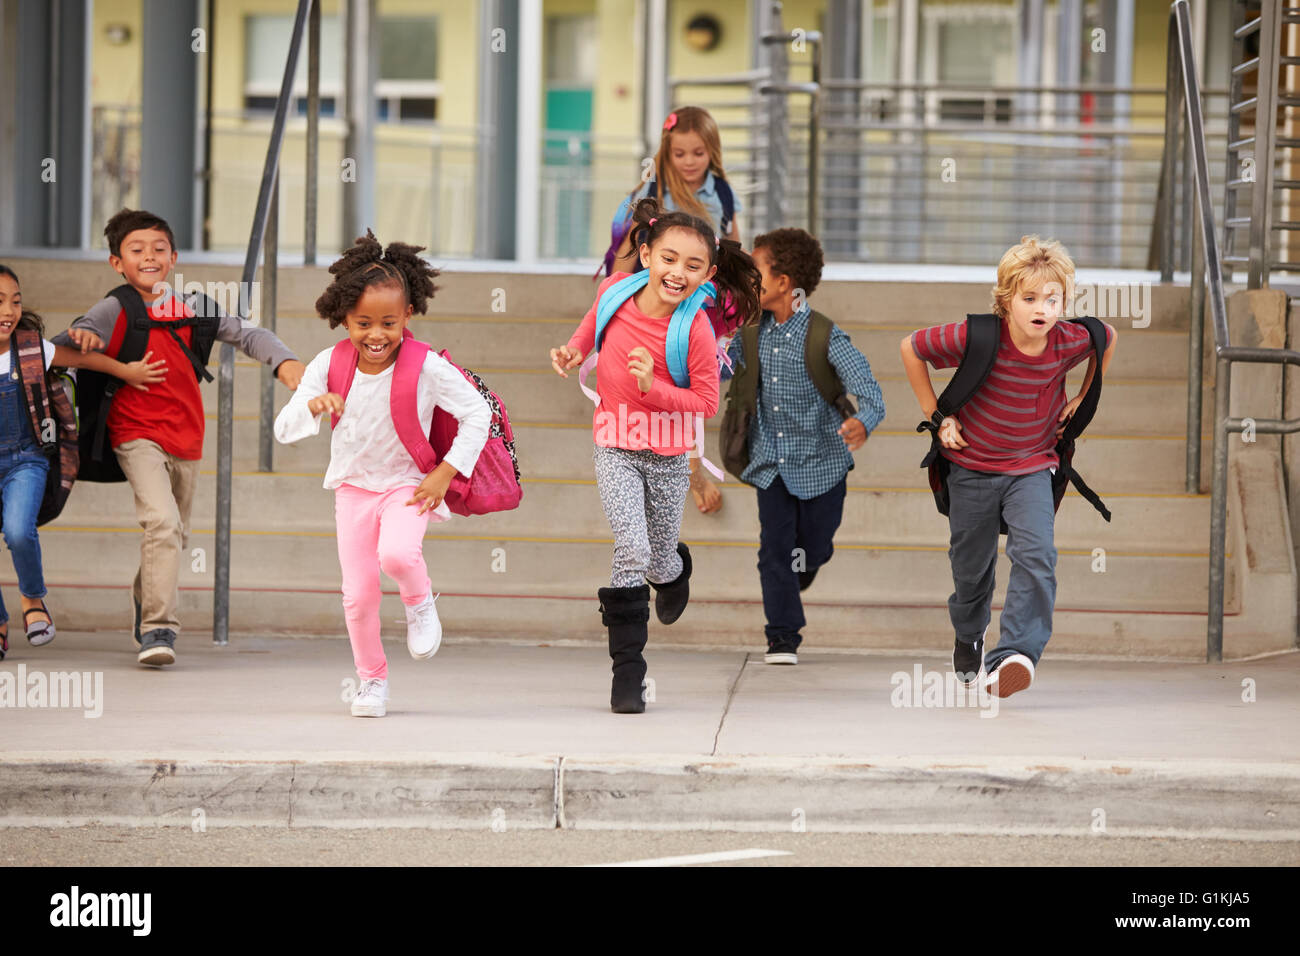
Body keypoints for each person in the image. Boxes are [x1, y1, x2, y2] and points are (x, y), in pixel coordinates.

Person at [50, 208, 306, 667]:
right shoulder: (115, 308)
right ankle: (157, 629)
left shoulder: (194, 306)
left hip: (187, 438)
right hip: (134, 434)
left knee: (174, 534)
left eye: (158, 248)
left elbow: (249, 334)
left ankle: (144, 596)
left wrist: (284, 363)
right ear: (117, 263)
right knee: (163, 525)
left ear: (173, 257)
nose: (149, 257)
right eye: (136, 250)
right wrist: (86, 337)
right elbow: (64, 344)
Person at [552, 198, 761, 714]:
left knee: (659, 555)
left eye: (692, 266)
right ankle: (628, 674)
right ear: (646, 256)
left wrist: (654, 387)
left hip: (668, 456)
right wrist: (573, 351)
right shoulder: (613, 293)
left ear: (709, 274)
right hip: (615, 445)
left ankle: (672, 573)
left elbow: (706, 403)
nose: (677, 272)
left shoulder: (695, 329)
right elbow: (590, 327)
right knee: (630, 548)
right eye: (668, 258)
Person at [274, 232, 491, 719]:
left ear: (408, 315)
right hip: (352, 490)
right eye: (362, 323)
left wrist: (444, 473)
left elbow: (480, 414)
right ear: (344, 318)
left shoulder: (427, 366)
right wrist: (312, 405)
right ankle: (371, 681)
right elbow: (284, 430)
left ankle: (419, 600)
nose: (376, 334)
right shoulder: (329, 363)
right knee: (357, 597)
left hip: (407, 485)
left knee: (397, 554)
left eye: (389, 323)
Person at [900, 235, 1116, 699]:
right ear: (1007, 300)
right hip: (971, 468)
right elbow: (910, 349)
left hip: (1032, 468)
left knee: (1036, 556)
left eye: (1053, 299)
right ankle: (969, 633)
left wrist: (1082, 396)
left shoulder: (1066, 340)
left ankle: (1014, 655)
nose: (1042, 308)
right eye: (1030, 298)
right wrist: (939, 417)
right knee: (970, 570)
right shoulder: (978, 335)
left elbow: (1106, 337)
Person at [726, 229, 885, 665]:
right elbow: (718, 369)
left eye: (755, 272)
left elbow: (871, 394)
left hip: (822, 465)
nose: (749, 282)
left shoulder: (825, 336)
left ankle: (808, 563)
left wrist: (861, 422)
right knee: (773, 549)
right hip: (770, 463)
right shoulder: (749, 333)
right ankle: (782, 636)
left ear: (783, 282)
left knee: (813, 548)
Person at [0, 264, 166, 659]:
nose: (8, 310)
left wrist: (126, 370)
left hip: (26, 458)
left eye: (15, 301)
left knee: (18, 531)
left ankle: (32, 600)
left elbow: (85, 360)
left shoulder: (31, 347)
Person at [606, 106, 744, 515]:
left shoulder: (722, 193)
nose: (688, 162)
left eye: (697, 153)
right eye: (679, 153)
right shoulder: (652, 195)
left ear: (712, 152)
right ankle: (683, 467)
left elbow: (734, 249)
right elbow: (628, 253)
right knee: (662, 383)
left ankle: (689, 461)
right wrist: (608, 306)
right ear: (666, 153)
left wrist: (738, 310)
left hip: (705, 303)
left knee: (696, 388)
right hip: (660, 304)